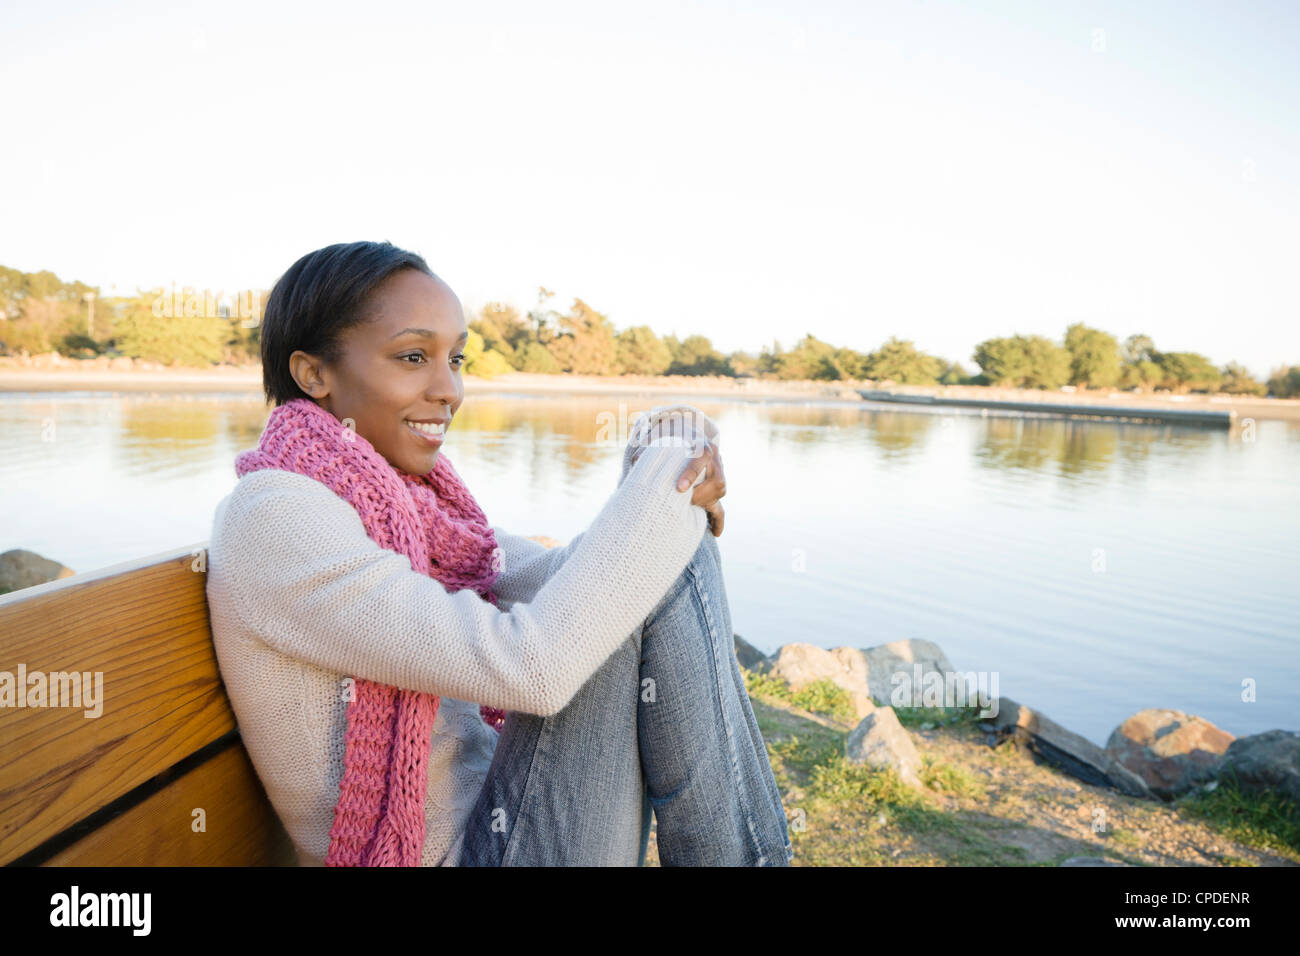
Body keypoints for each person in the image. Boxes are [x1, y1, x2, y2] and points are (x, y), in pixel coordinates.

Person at [205, 240, 792, 866]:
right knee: (664, 540)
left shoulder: (408, 504)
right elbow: (532, 667)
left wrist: (667, 441)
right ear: (313, 373)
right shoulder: (276, 515)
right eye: (413, 356)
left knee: (667, 547)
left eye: (455, 359)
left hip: (507, 823)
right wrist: (667, 478)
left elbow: (561, 577)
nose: (449, 390)